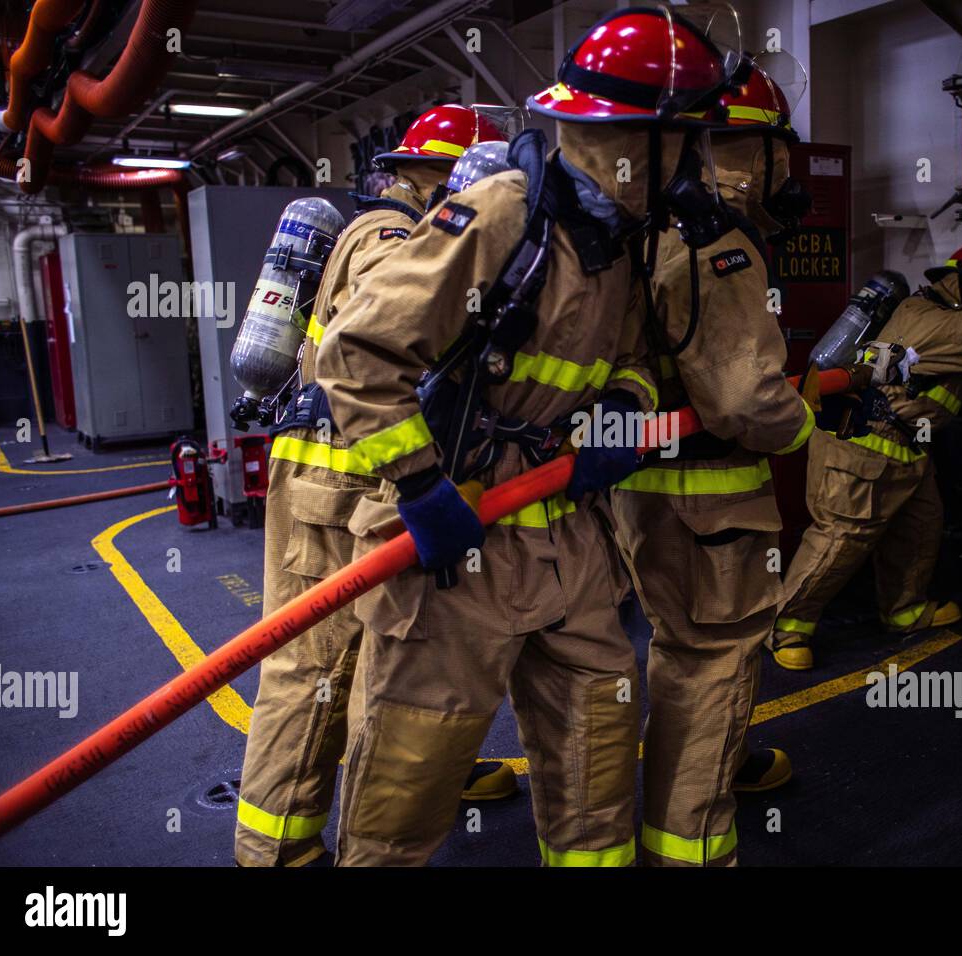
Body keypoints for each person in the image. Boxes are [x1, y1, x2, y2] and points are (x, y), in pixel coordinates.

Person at [316, 7, 745, 866]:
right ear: (641, 140)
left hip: (567, 538)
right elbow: (356, 355)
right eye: (689, 140)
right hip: (455, 550)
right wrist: (421, 490)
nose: (699, 165)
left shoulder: (621, 243)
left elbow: (625, 358)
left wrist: (621, 410)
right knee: (410, 777)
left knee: (597, 741)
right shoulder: (504, 217)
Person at [234, 105, 510, 868]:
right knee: (313, 667)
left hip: (336, 478)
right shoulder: (390, 242)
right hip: (341, 483)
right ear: (438, 180)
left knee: (365, 662)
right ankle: (272, 850)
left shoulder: (384, 235)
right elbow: (389, 359)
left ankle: (404, 797)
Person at [610, 56, 820, 867]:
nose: (790, 171)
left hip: (648, 497)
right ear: (744, 152)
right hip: (711, 507)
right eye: (778, 151)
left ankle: (716, 766)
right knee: (715, 665)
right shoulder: (719, 243)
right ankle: (691, 848)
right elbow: (744, 404)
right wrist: (806, 428)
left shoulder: (649, 226)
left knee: (677, 648)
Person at [767, 242, 962, 671]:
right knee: (841, 539)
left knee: (918, 531)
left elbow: (944, 392)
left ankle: (904, 612)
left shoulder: (939, 326)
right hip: (863, 450)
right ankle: (787, 625)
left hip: (907, 452)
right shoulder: (926, 318)